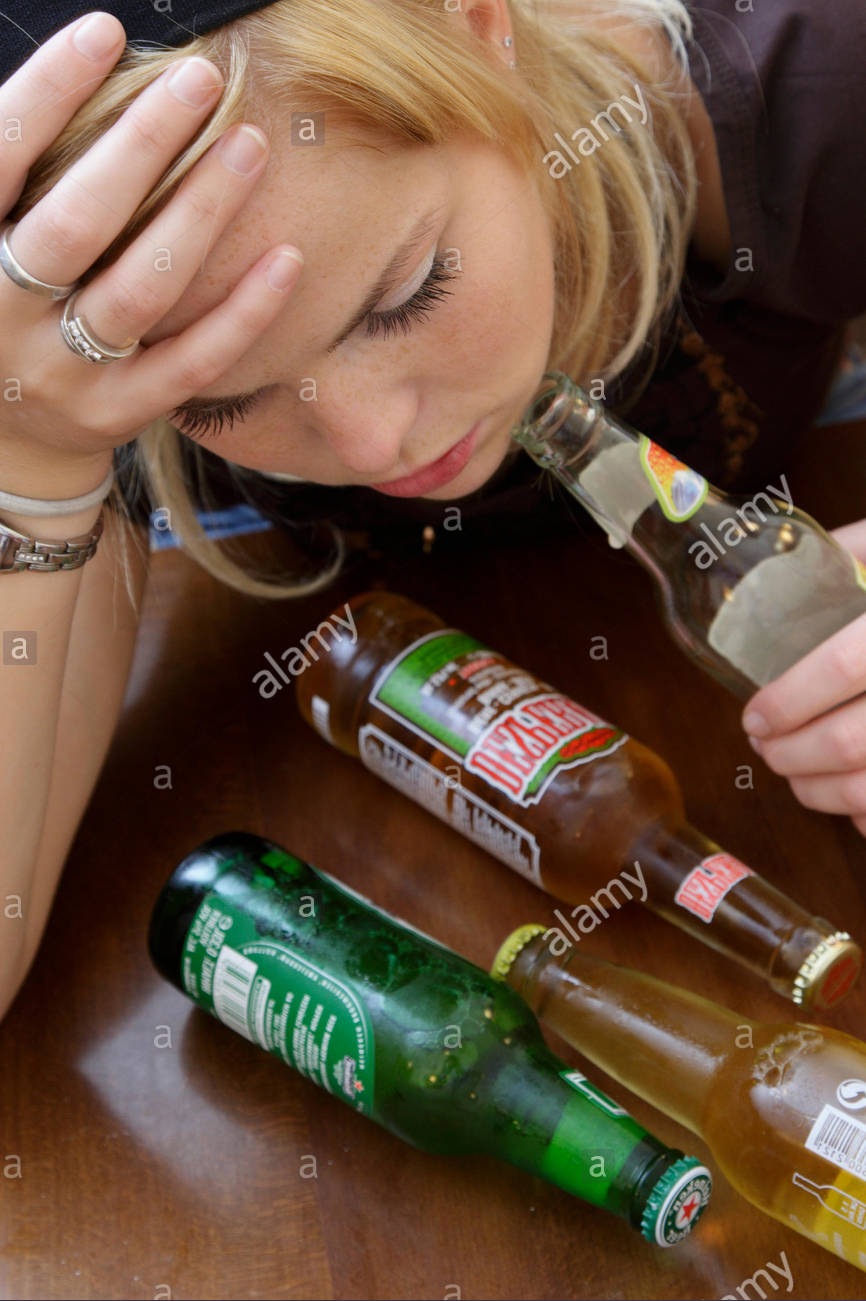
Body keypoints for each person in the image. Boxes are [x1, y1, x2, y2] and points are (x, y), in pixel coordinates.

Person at [1, 0, 865, 1025]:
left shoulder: (807, 86)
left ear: (478, 29)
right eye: (219, 396)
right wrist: (35, 467)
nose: (374, 445)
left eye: (403, 294)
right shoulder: (80, 358)